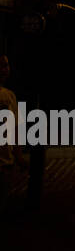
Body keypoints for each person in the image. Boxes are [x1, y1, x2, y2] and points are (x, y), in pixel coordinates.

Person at [0, 55, 27, 218]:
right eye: (2, 66)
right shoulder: (8, 96)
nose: (5, 69)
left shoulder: (9, 95)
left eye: (6, 65)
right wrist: (18, 157)